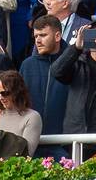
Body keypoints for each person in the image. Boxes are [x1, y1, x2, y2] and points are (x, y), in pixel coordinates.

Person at [20, 14, 70, 148]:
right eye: (36, 36)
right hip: (33, 142)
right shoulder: (27, 65)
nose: (38, 41)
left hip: (66, 141)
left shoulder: (74, 62)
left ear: (57, 36)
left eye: (43, 35)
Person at [0, 69, 42, 159]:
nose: (0, 97)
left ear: (17, 92)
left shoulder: (32, 117)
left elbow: (27, 152)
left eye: (5, 93)